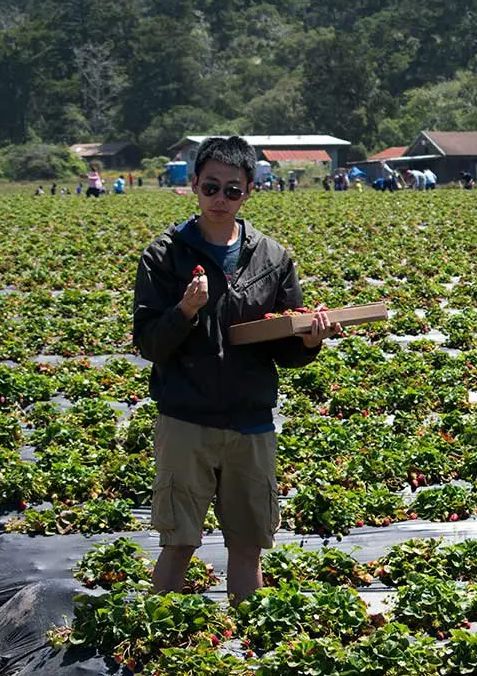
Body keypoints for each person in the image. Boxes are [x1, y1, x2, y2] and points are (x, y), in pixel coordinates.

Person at [132, 136, 341, 603]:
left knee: (248, 545)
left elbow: (283, 347)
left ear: (250, 190)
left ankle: (247, 647)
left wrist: (309, 340)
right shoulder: (165, 255)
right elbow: (149, 343)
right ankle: (156, 642)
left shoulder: (271, 257)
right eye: (211, 188)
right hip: (186, 418)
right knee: (179, 541)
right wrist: (184, 310)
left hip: (251, 421)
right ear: (194, 186)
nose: (220, 199)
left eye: (232, 190)